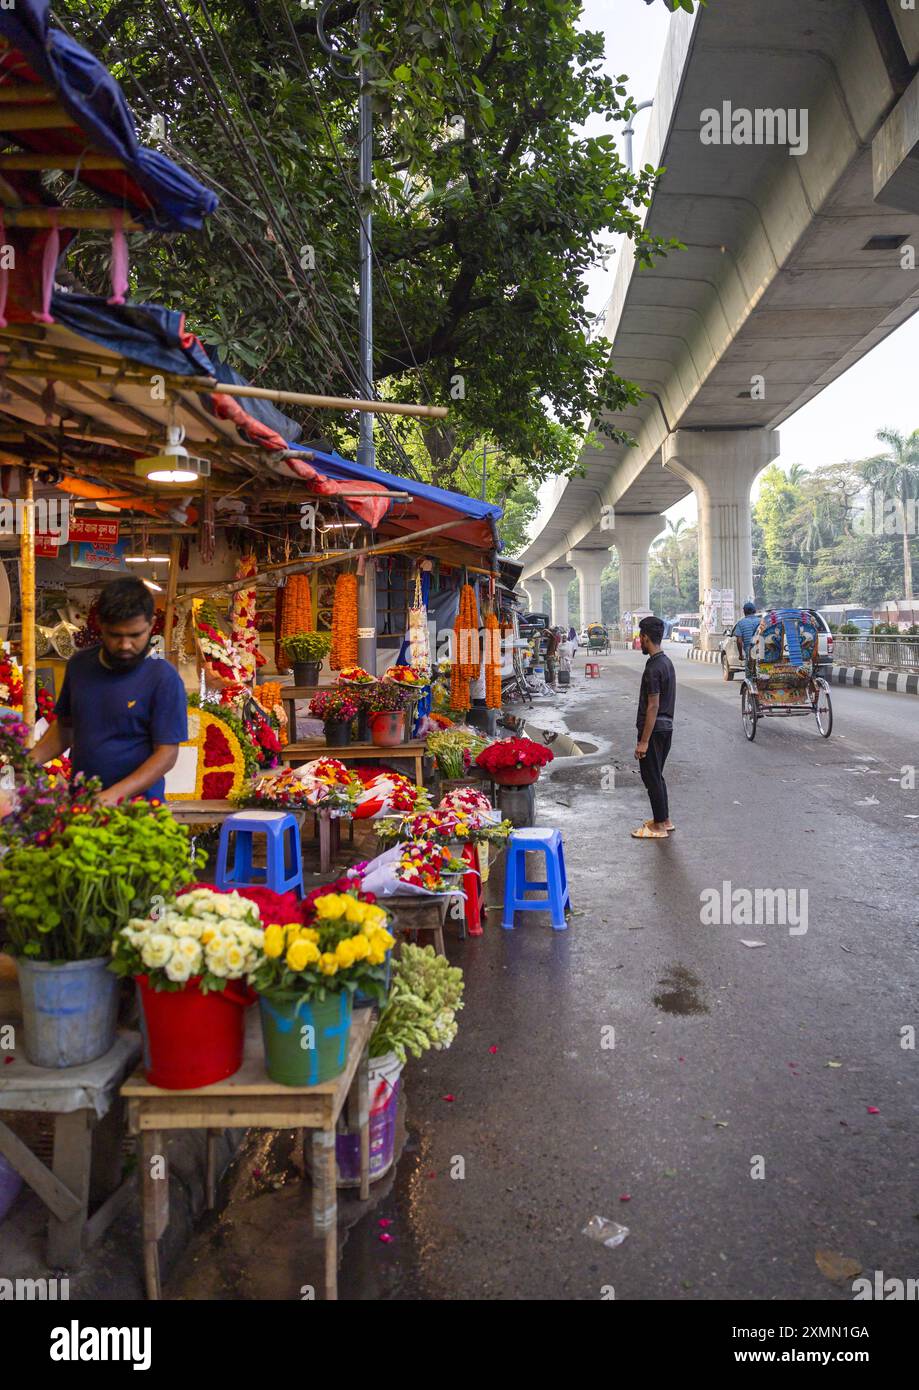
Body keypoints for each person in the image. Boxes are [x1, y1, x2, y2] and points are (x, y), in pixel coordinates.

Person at [31, 577, 188, 805]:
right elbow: (66, 727)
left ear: (151, 623)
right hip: (83, 803)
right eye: (116, 635)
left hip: (139, 810)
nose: (125, 645)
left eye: (135, 635)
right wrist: (29, 760)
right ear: (100, 624)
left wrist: (115, 795)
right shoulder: (79, 665)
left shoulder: (163, 678)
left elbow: (166, 754)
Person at [632, 614, 676, 839]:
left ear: (646, 637)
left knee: (651, 776)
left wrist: (644, 741)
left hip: (655, 729)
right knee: (656, 775)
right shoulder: (666, 662)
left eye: (641, 636)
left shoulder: (653, 668)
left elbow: (653, 706)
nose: (640, 640)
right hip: (666, 728)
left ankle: (659, 825)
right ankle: (664, 820)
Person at [735, 601, 761, 668]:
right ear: (754, 610)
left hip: (748, 649)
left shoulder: (740, 623)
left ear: (744, 612)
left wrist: (740, 655)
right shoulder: (761, 621)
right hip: (761, 648)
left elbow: (739, 641)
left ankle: (749, 677)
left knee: (749, 672)